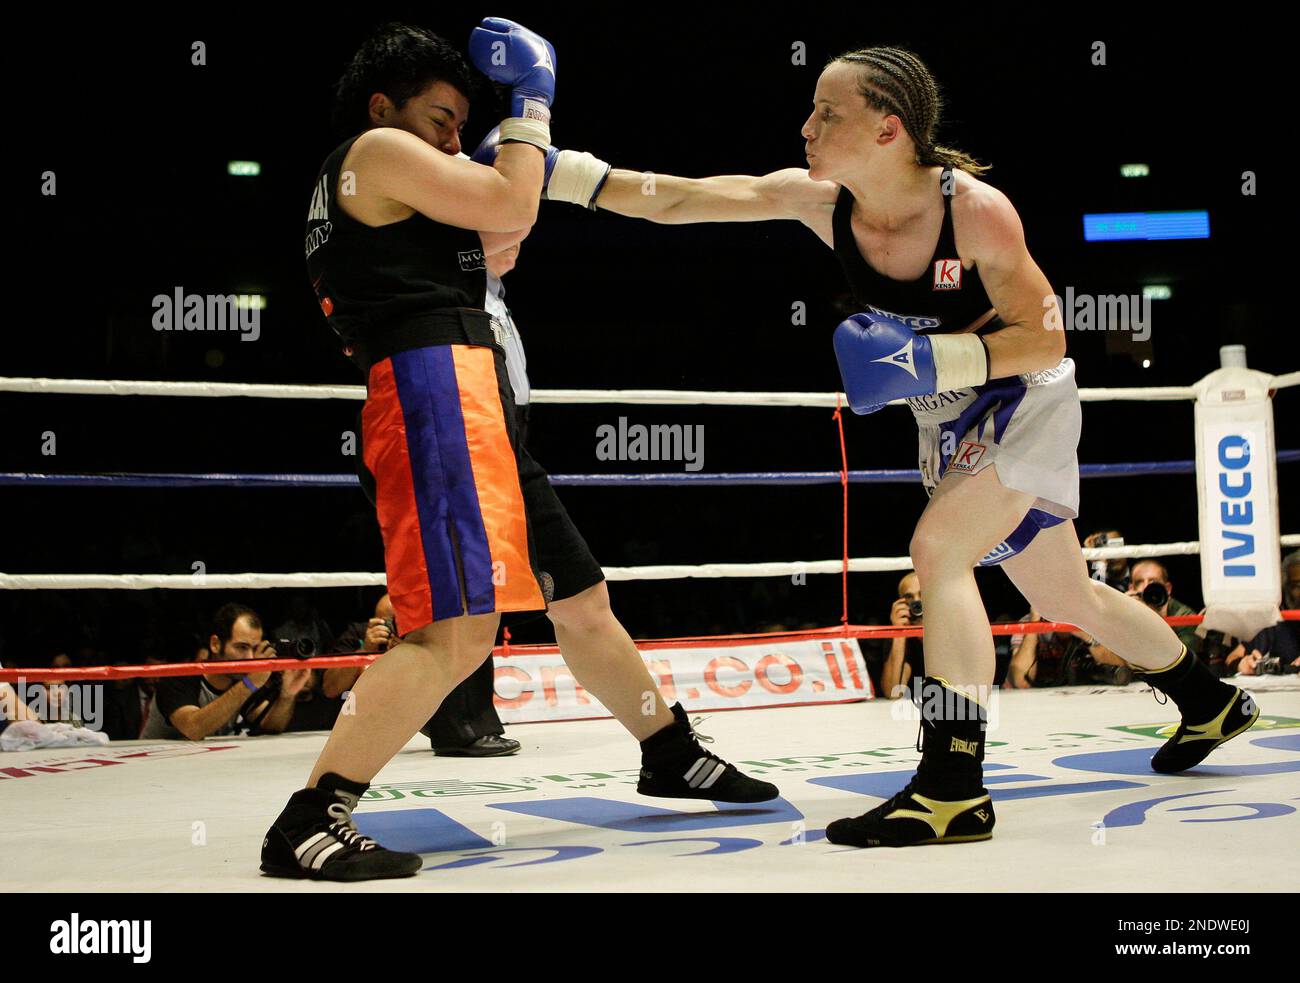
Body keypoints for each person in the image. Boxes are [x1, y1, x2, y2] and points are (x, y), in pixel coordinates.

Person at [545, 45, 1260, 847]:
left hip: (1026, 396)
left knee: (939, 550)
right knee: (1066, 596)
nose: (806, 126)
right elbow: (683, 200)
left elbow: (1050, 334)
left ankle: (954, 783)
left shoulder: (977, 212)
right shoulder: (822, 202)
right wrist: (559, 171)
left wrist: (936, 359)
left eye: (828, 113)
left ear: (889, 130)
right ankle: (1213, 702)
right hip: (949, 410)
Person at [264, 19, 776, 882]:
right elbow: (511, 206)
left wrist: (516, 162)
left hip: (471, 393)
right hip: (435, 388)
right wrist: (532, 103)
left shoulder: (388, 186)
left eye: (463, 122)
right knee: (457, 633)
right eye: (441, 117)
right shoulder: (376, 148)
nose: (453, 138)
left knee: (579, 596)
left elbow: (503, 235)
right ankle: (311, 817)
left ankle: (669, 749)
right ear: (386, 107)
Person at [141, 604, 312, 740]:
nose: (250, 657)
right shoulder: (179, 678)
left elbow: (271, 725)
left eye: (254, 648)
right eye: (241, 647)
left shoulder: (242, 681)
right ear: (215, 644)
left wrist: (287, 695)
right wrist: (250, 683)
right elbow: (193, 729)